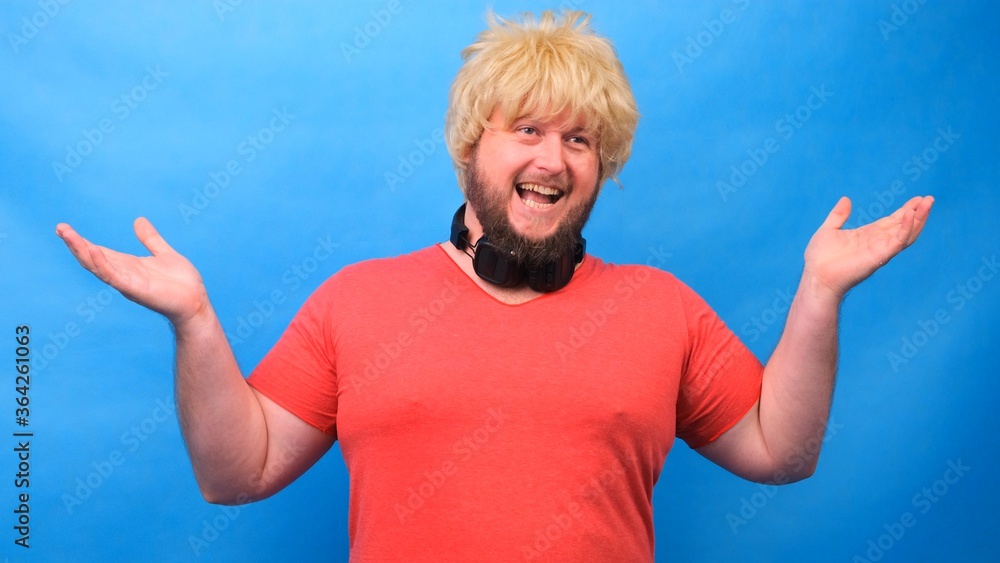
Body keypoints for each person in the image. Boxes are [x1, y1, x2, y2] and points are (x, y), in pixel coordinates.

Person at [55, 10, 933, 562]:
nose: (553, 160)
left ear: (602, 166)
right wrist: (196, 322)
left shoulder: (664, 308)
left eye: (582, 141)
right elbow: (233, 474)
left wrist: (820, 294)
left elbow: (782, 453)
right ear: (471, 144)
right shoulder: (354, 301)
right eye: (527, 130)